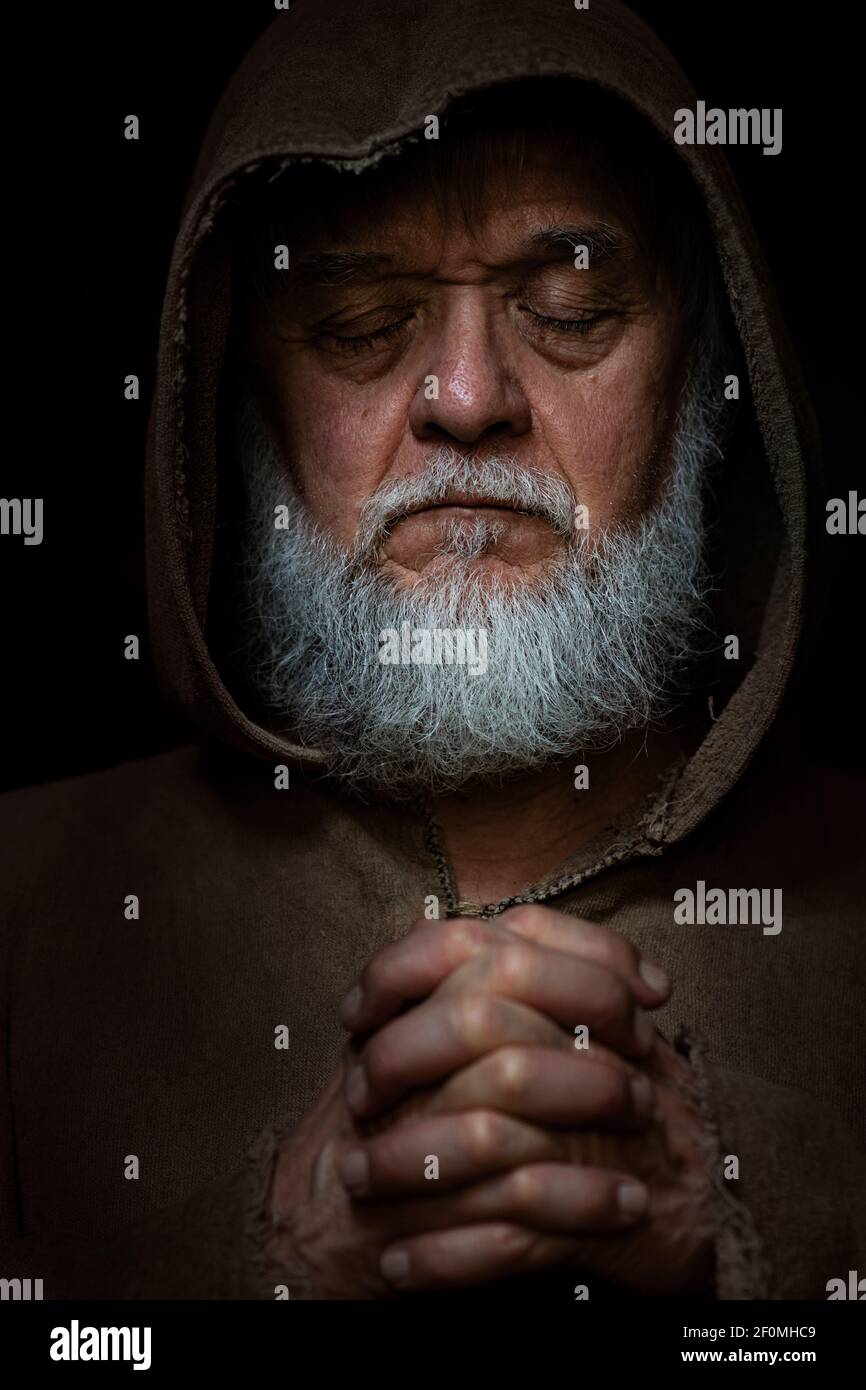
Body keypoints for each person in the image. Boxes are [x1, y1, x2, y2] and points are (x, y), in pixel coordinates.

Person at [1, 0, 863, 1301]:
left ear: (705, 366)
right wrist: (270, 1271)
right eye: (360, 324)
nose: (466, 399)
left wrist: (742, 1259)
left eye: (570, 309)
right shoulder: (24, 903)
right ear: (238, 399)